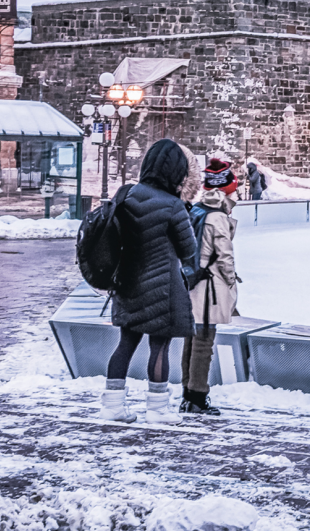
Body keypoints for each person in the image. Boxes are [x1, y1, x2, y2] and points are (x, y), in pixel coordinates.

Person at [100, 139, 199, 423]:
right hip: (163, 290)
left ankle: (112, 407)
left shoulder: (125, 194)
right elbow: (188, 251)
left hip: (127, 284)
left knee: (125, 345)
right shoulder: (173, 206)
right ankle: (157, 410)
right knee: (159, 348)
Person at [181, 158, 240, 415]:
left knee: (191, 339)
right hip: (209, 289)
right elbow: (225, 257)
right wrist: (230, 284)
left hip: (192, 282)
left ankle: (188, 394)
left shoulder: (198, 209)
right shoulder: (217, 216)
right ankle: (197, 397)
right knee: (204, 341)